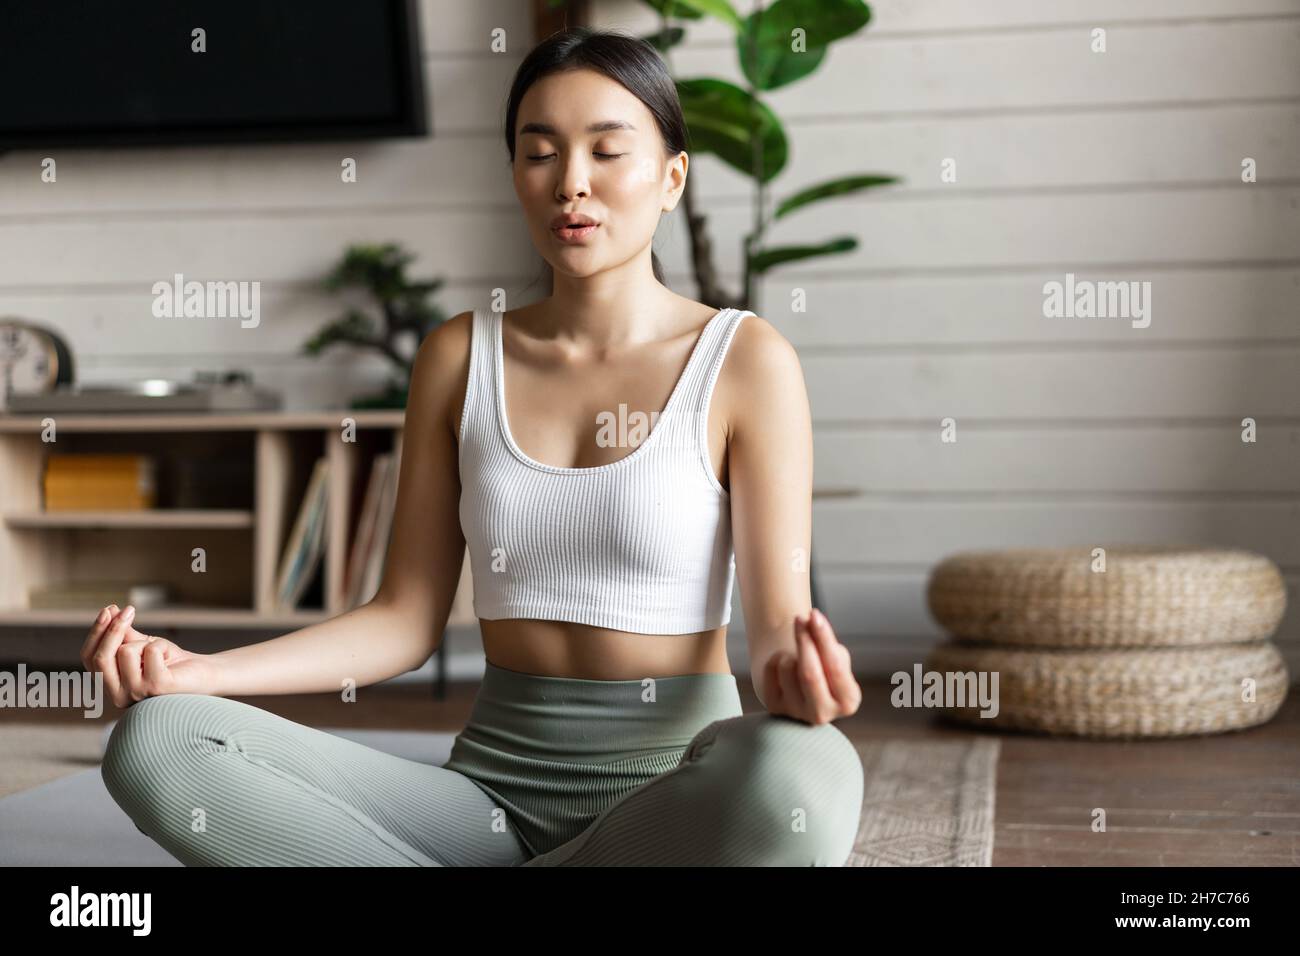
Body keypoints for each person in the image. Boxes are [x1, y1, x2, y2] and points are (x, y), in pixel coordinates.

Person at [91, 27, 864, 866]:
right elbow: (403, 620)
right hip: (484, 804)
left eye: (608, 151)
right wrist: (200, 673)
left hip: (673, 795)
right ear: (515, 176)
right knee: (158, 740)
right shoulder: (460, 355)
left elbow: (782, 627)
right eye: (540, 154)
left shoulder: (746, 361)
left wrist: (799, 679)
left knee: (804, 771)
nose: (572, 183)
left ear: (672, 177)